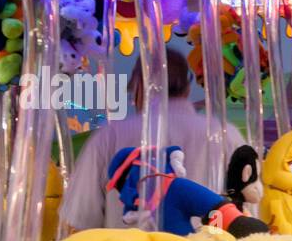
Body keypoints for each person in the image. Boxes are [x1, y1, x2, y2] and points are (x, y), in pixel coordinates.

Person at [60, 48, 247, 231]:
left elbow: (80, 218)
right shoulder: (226, 135)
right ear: (187, 87)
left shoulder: (109, 137)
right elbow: (247, 216)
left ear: (139, 85)